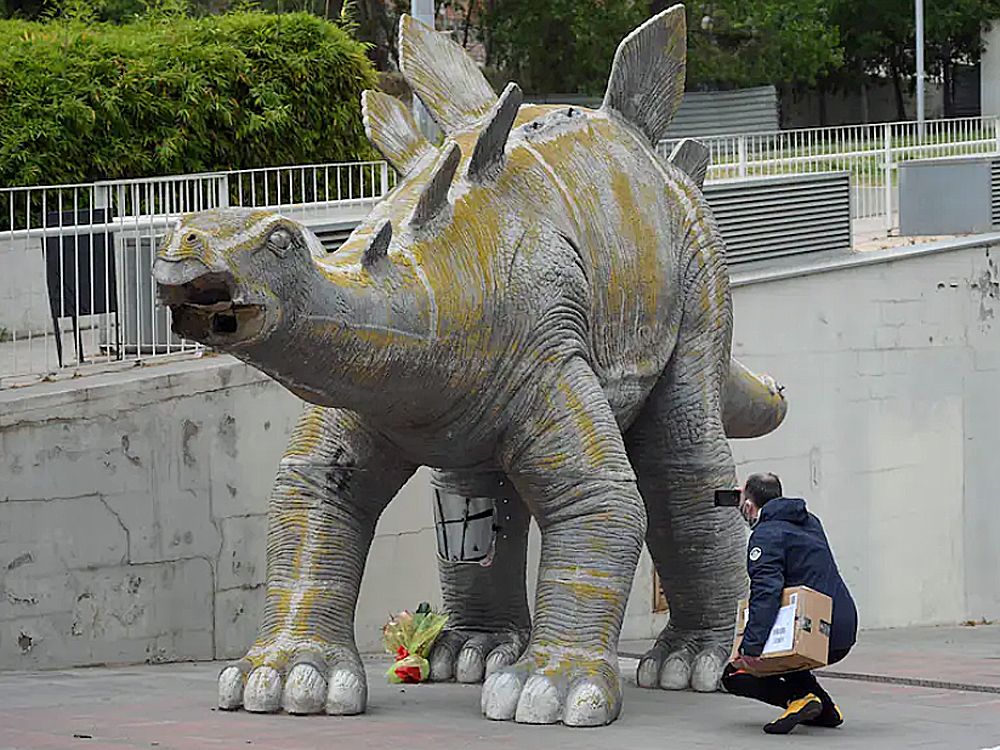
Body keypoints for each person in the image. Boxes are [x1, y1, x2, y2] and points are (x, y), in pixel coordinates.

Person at [722, 472, 858, 735]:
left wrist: (749, 648)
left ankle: (798, 699)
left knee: (734, 674)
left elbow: (766, 594)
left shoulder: (765, 536)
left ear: (748, 506)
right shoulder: (810, 521)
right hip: (841, 627)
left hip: (812, 636)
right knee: (789, 658)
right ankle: (825, 710)